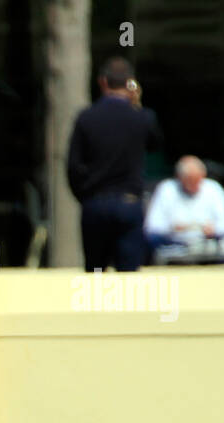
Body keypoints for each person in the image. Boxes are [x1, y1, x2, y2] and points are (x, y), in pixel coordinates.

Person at [67, 57, 163, 272]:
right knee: (128, 275)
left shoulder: (86, 117)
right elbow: (155, 145)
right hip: (128, 203)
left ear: (102, 82)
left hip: (95, 203)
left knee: (96, 271)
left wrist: (85, 196)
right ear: (130, 83)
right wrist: (136, 104)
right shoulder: (142, 117)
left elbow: (73, 166)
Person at [144, 155, 224, 256]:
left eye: (198, 180)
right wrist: (172, 227)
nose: (194, 185)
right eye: (190, 181)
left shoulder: (213, 188)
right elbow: (152, 226)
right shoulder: (167, 189)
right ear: (179, 177)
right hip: (173, 242)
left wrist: (214, 229)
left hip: (205, 242)